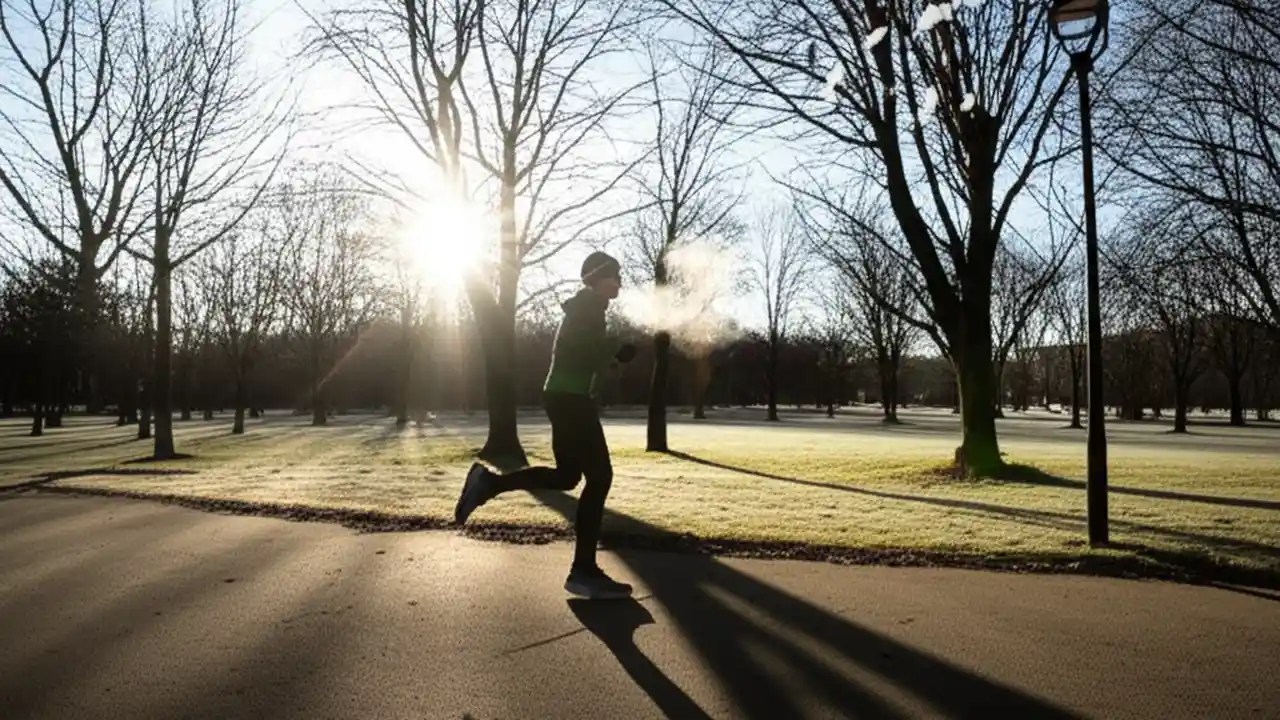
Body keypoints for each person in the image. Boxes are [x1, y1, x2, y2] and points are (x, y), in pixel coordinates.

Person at [453, 251, 638, 600]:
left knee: (568, 476)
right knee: (600, 477)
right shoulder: (588, 307)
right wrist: (616, 350)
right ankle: (583, 571)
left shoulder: (588, 308)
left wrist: (614, 358)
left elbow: (586, 356)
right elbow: (587, 351)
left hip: (564, 396)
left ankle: (488, 483)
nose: (619, 282)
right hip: (570, 400)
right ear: (596, 278)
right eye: (614, 276)